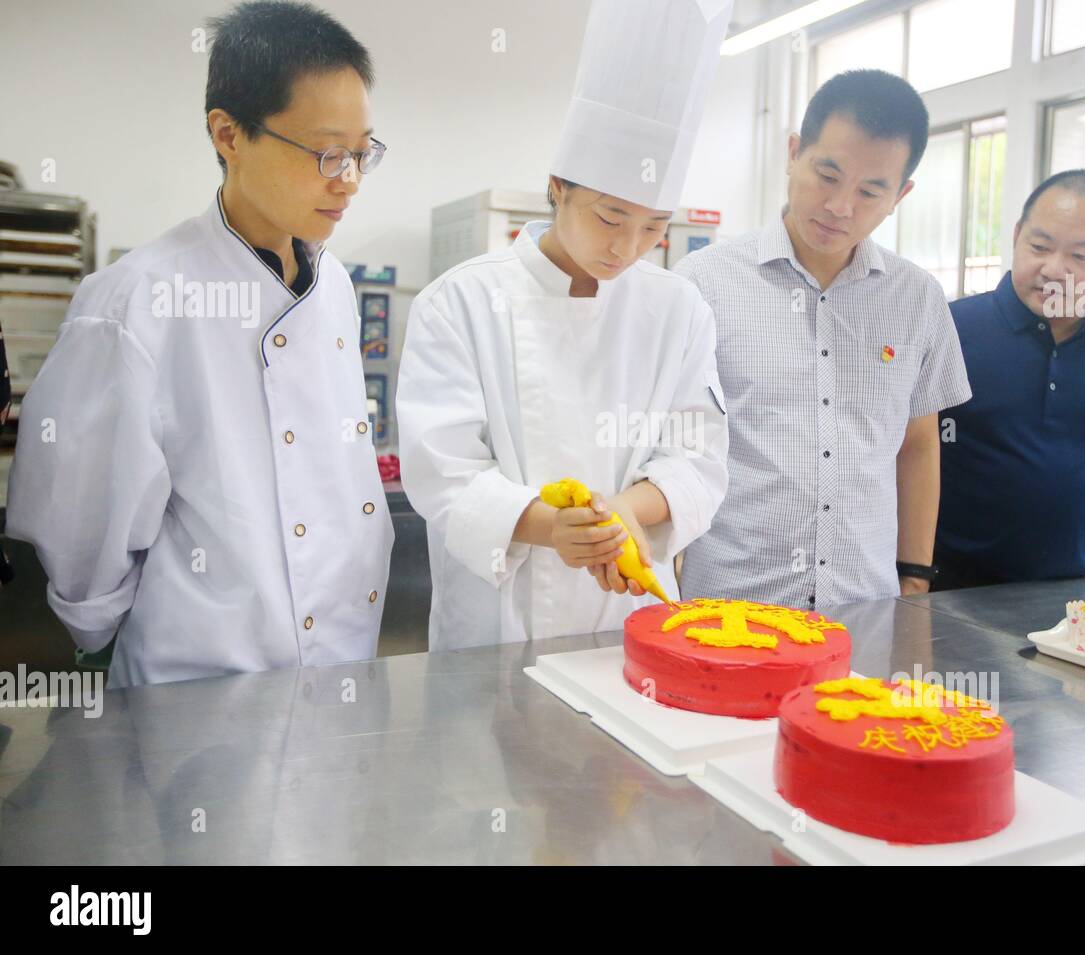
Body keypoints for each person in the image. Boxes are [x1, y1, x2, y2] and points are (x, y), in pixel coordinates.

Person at [5, 0, 393, 686]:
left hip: (343, 667)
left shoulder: (334, 285)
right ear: (229, 134)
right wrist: (99, 633)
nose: (350, 179)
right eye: (328, 152)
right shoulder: (136, 299)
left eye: (362, 153)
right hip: (194, 688)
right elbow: (83, 527)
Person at [397, 0, 731, 650]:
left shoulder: (677, 308)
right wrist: (553, 528)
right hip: (496, 631)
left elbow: (699, 454)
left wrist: (627, 515)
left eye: (654, 228)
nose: (627, 247)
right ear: (557, 186)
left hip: (629, 618)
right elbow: (443, 471)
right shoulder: (459, 301)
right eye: (611, 217)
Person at [674, 69, 971, 610]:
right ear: (793, 153)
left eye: (870, 191)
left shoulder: (918, 298)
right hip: (728, 602)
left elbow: (920, 444)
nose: (840, 206)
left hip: (864, 603)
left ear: (900, 194)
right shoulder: (701, 283)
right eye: (826, 175)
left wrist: (915, 574)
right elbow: (672, 439)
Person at [934, 169, 1085, 589]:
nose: (1054, 269)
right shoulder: (947, 328)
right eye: (1039, 246)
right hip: (942, 590)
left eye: (1081, 257)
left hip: (1071, 594)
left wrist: (1067, 522)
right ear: (1017, 235)